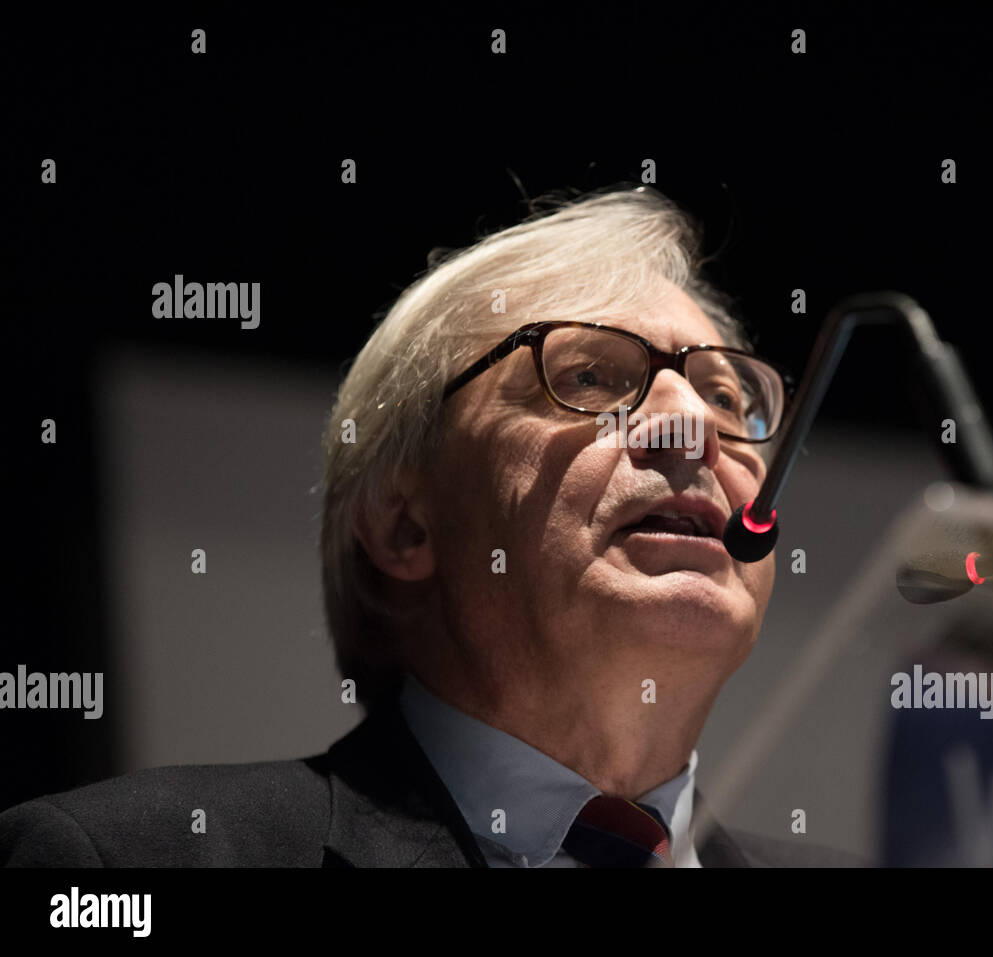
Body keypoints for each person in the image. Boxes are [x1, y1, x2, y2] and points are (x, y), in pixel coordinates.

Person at [0, 185, 863, 867]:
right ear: (406, 525)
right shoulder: (124, 863)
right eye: (592, 376)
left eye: (725, 393)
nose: (693, 423)